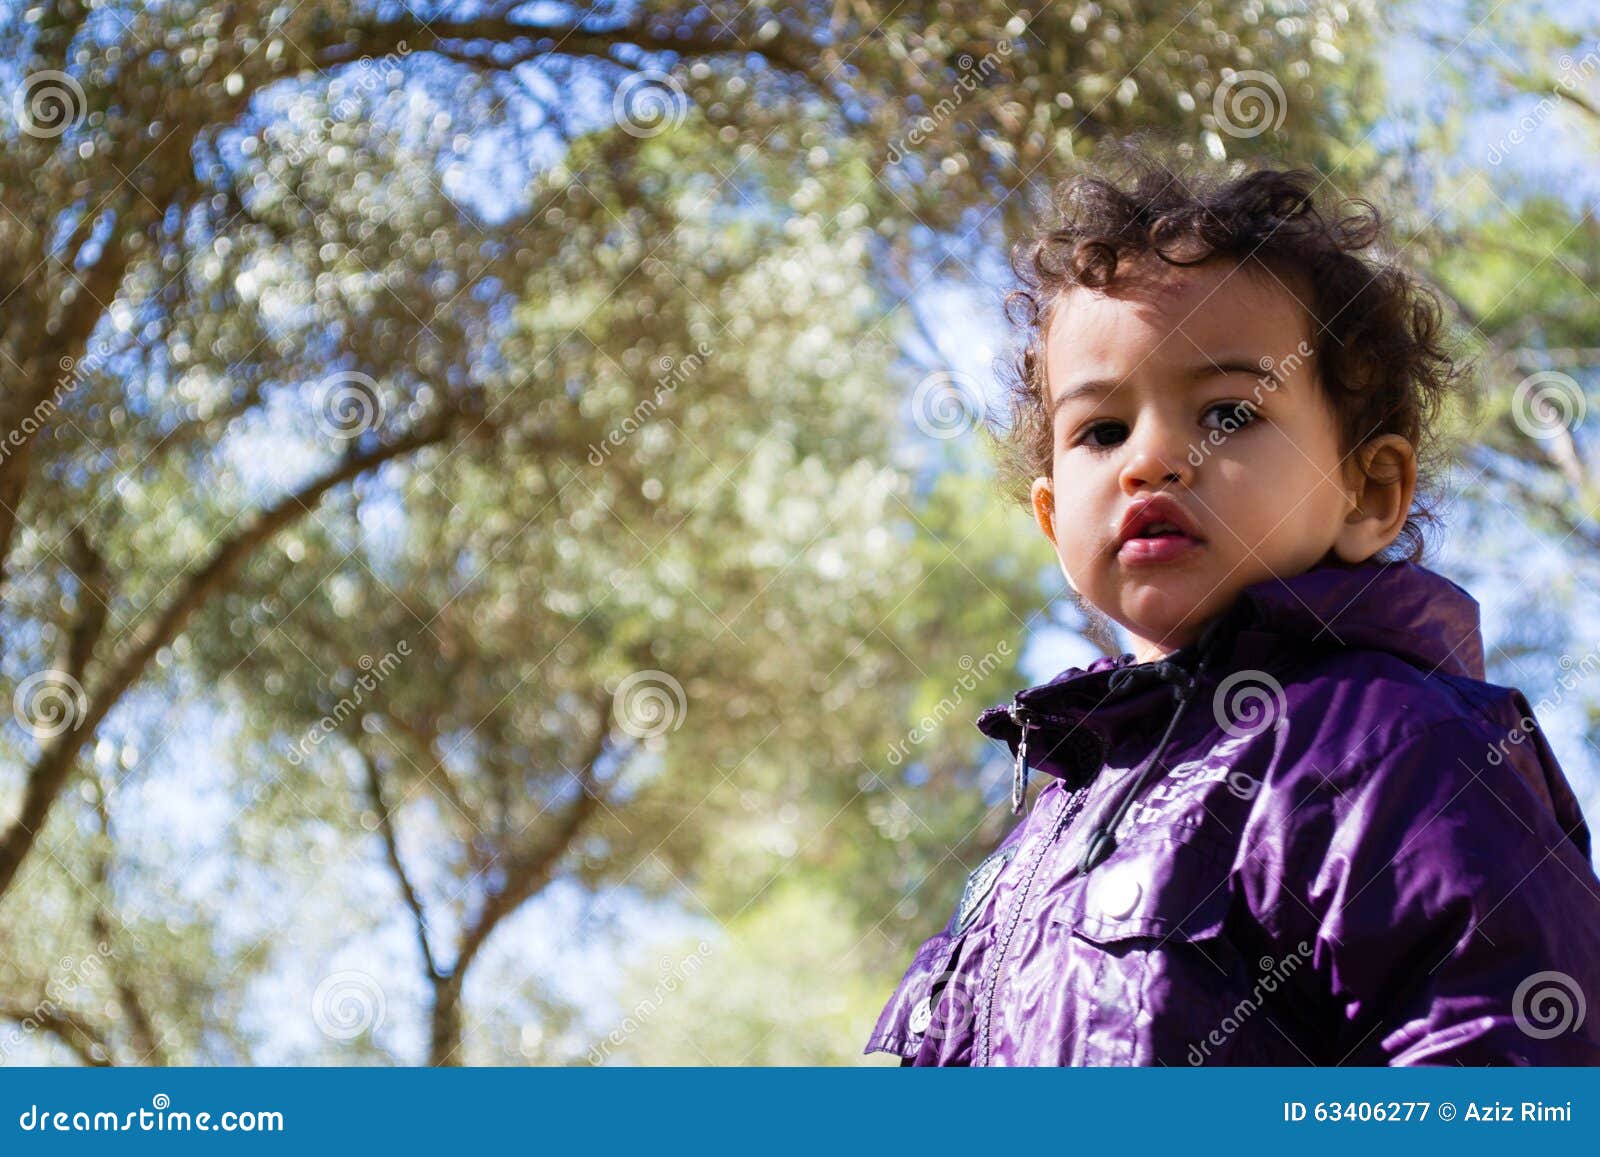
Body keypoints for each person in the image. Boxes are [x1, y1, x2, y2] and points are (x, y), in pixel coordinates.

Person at [864, 146, 1600, 1066]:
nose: (1153, 459)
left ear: (1368, 491)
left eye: (1226, 414)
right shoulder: (1028, 850)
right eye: (1100, 429)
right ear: (1052, 519)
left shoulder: (1397, 751)